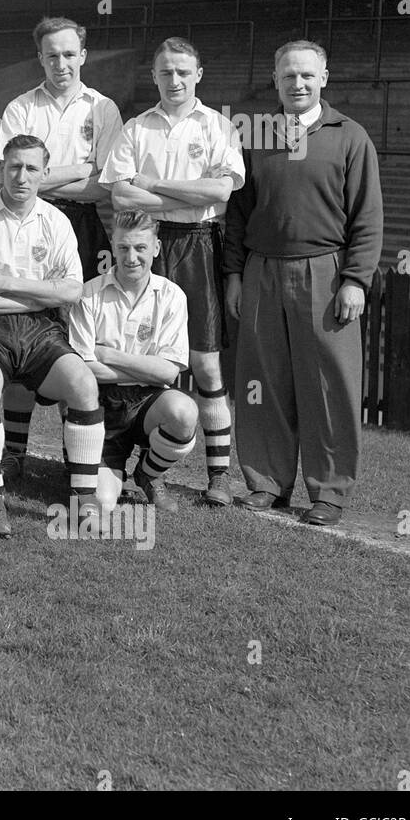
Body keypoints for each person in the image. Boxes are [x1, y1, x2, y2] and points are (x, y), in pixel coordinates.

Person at [224, 40, 383, 526]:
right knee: (262, 382)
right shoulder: (254, 135)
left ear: (324, 78)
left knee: (328, 385)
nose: (298, 84)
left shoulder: (350, 136)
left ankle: (329, 491)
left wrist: (355, 280)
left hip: (325, 274)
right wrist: (233, 275)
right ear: (276, 80)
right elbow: (237, 213)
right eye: (289, 75)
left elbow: (367, 217)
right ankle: (267, 483)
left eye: (307, 76)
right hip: (262, 271)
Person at [101, 37, 244, 507]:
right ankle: (135, 468)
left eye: (183, 71)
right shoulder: (137, 127)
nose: (175, 80)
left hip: (199, 245)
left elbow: (220, 193)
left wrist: (155, 184)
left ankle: (218, 477)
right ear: (154, 76)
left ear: (198, 73)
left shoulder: (218, 125)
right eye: (166, 72)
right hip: (146, 243)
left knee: (204, 361)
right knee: (133, 354)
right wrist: (188, 193)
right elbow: (122, 196)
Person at [0, 134, 104, 538]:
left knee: (84, 384)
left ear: (45, 173)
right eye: (14, 166)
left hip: (40, 331)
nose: (22, 176)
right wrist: (38, 295)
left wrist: (3, 282)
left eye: (32, 168)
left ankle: (83, 500)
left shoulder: (56, 221)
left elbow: (71, 290)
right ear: (2, 168)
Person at [0, 17, 123, 476]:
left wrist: (44, 178)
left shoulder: (103, 109)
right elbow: (10, 179)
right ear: (40, 58)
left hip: (84, 225)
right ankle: (13, 452)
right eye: (52, 55)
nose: (61, 63)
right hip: (24, 224)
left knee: (79, 333)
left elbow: (105, 184)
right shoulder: (20, 108)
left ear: (83, 55)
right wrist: (75, 170)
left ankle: (79, 459)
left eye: (69, 54)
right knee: (22, 324)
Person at [68, 211, 196, 519]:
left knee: (184, 412)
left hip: (148, 402)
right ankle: (103, 468)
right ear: (112, 244)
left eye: (140, 248)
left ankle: (148, 474)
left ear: (156, 247)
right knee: (99, 507)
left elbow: (169, 372)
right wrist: (146, 366)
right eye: (124, 247)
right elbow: (83, 369)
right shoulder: (88, 295)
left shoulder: (172, 295)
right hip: (99, 406)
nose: (131, 257)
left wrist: (110, 355)